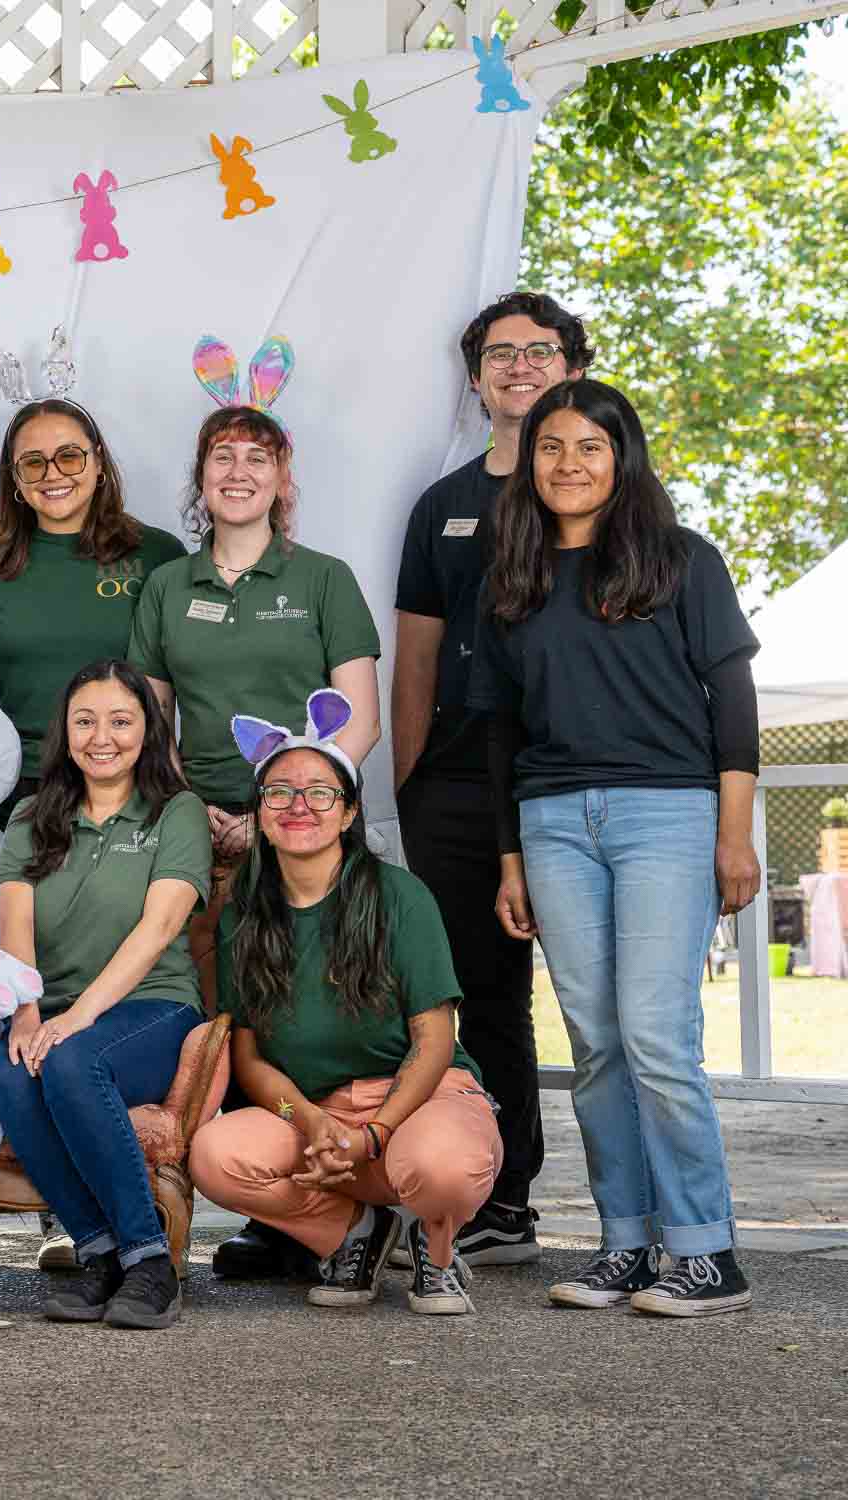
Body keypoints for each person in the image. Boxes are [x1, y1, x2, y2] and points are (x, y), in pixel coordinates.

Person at [471, 378, 760, 1317]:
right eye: (551, 447)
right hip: (554, 822)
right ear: (532, 462)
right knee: (595, 1045)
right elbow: (500, 734)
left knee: (656, 1038)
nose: (568, 464)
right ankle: (626, 1245)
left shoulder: (682, 561)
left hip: (665, 817)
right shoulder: (509, 578)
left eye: (590, 447)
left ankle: (707, 1251)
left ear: (621, 457)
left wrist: (733, 835)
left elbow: (736, 708)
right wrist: (511, 857)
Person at [127, 403, 381, 1281]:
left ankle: (302, 1213)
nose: (238, 472)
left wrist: (286, 806)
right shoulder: (168, 585)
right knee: (201, 1028)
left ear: (283, 478)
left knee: (295, 1021)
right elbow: (151, 724)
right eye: (220, 458)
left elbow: (361, 721)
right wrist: (195, 811)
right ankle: (179, 1218)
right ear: (200, 480)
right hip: (194, 830)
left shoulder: (322, 579)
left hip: (303, 834)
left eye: (257, 458)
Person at [391, 291, 592, 1267]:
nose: (519, 365)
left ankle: (639, 1221)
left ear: (570, 370)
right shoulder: (441, 506)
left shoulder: (600, 496)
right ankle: (499, 1200)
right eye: (500, 353)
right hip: (457, 786)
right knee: (480, 994)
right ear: (474, 380)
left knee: (601, 1004)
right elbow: (415, 660)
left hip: (568, 777)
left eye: (538, 350)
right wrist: (402, 785)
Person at [189, 694, 502, 1316]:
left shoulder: (398, 896)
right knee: (215, 1154)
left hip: (418, 1104)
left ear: (349, 810)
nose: (298, 806)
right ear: (260, 812)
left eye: (320, 793)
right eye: (278, 793)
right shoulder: (245, 916)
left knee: (441, 1167)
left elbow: (434, 1039)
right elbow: (249, 1057)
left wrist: (377, 1131)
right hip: (315, 1114)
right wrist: (308, 1120)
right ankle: (355, 1231)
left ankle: (436, 1252)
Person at [0, 661, 211, 1330]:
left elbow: (161, 926)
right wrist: (27, 1013)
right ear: (64, 731)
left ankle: (151, 1262)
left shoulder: (178, 811)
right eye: (85, 721)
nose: (102, 736)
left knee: (70, 1058)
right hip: (55, 1010)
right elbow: (14, 925)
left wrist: (77, 1018)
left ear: (148, 730)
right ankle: (98, 1250)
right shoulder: (32, 816)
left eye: (121, 720)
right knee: (10, 1071)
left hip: (154, 1008)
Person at [0, 398, 186, 827]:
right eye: (33, 463)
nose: (53, 474)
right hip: (20, 789)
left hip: (134, 783)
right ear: (15, 480)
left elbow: (188, 671)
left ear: (98, 462)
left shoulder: (157, 555)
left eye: (69, 457)